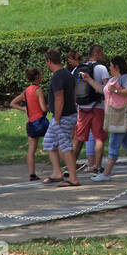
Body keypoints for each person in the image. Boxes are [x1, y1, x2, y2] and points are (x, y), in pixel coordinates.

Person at [41, 49, 81, 185]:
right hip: (67, 114)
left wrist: (57, 118)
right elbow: (74, 93)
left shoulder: (58, 76)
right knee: (48, 142)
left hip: (62, 116)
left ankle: (73, 178)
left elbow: (59, 98)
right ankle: (57, 173)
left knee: (65, 146)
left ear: (49, 61)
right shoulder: (67, 74)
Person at [101, 57, 127, 179]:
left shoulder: (125, 78)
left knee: (114, 144)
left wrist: (115, 90)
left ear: (116, 66)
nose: (109, 67)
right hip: (116, 116)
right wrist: (89, 80)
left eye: (110, 65)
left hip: (121, 116)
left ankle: (106, 174)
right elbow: (102, 90)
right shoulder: (112, 80)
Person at [71, 43, 110, 178]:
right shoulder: (101, 68)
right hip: (97, 107)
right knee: (99, 137)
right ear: (97, 53)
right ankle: (97, 167)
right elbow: (107, 87)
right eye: (102, 53)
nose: (103, 55)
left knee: (78, 137)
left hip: (82, 108)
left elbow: (72, 88)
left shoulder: (78, 68)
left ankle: (71, 166)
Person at [10, 68, 48, 181]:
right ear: (37, 77)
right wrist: (49, 108)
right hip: (41, 121)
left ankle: (32, 174)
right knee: (55, 141)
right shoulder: (38, 90)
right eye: (40, 75)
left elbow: (12, 103)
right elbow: (43, 108)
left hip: (31, 122)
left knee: (32, 149)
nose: (41, 77)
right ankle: (63, 168)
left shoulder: (26, 91)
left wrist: (23, 108)